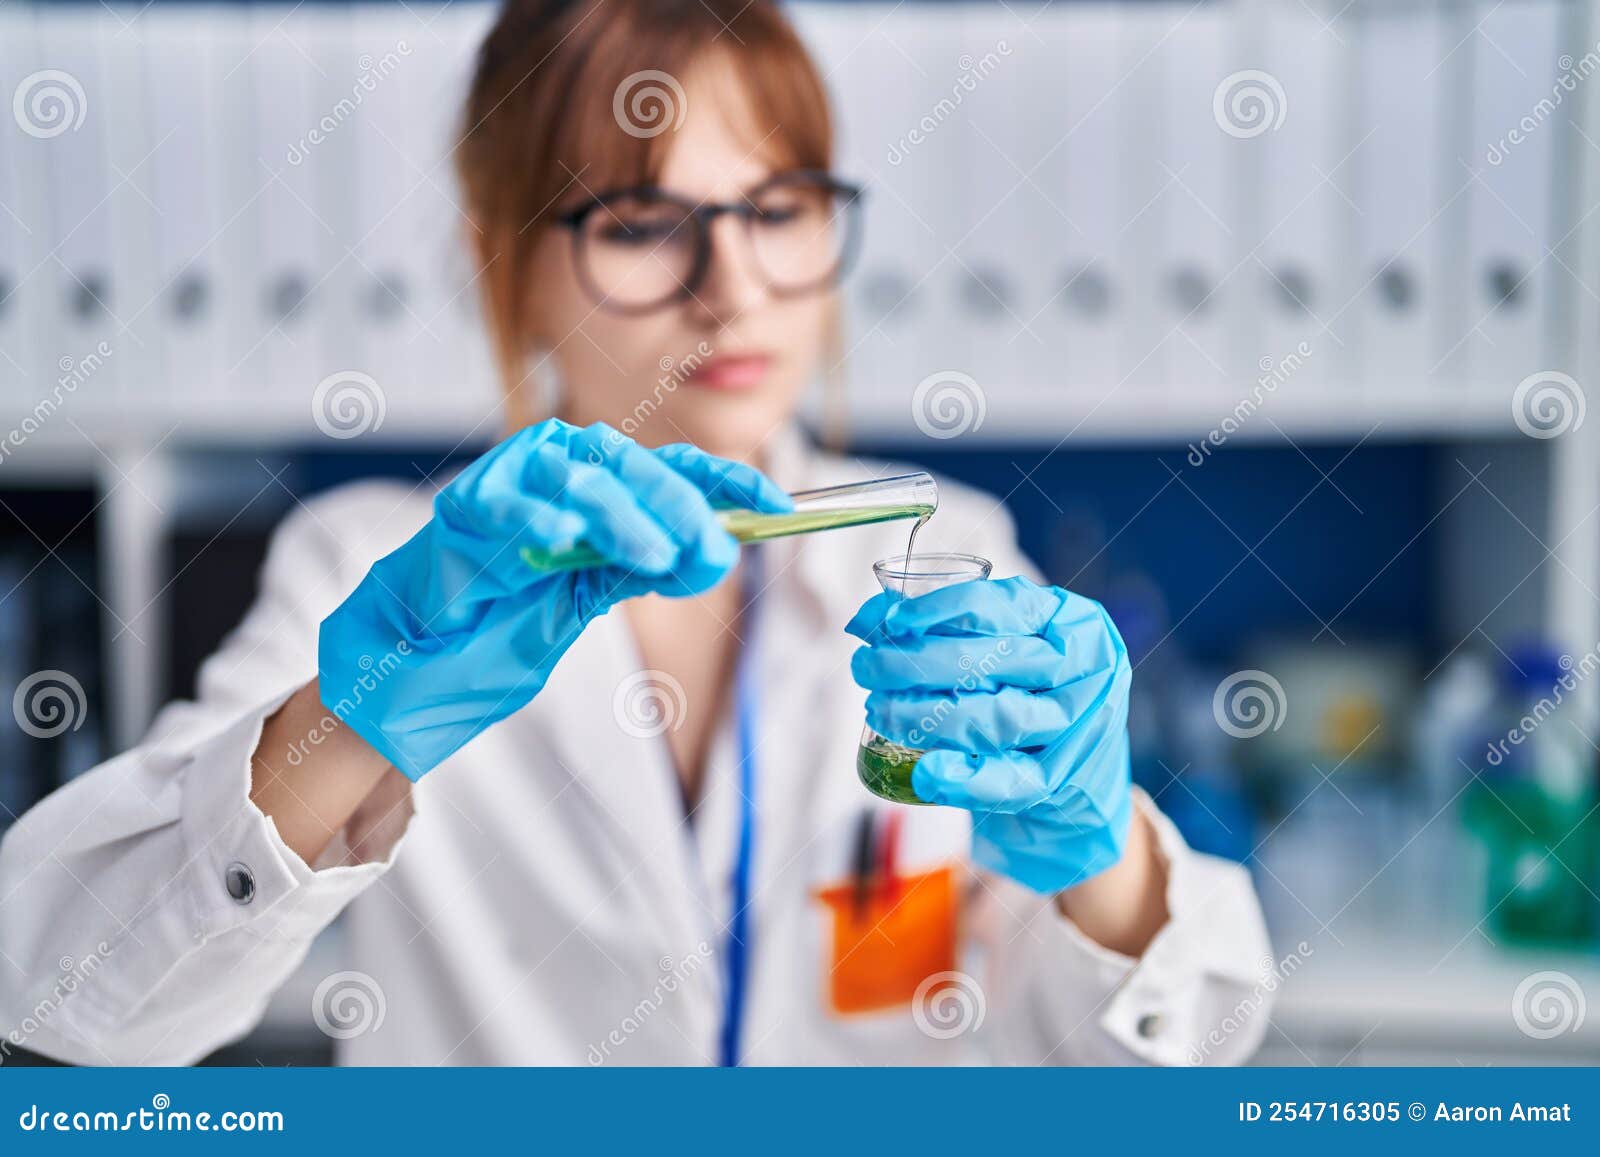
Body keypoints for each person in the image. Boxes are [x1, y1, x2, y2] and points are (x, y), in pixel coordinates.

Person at [0, 0, 1271, 1066]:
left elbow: (1136, 1066)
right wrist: (353, 715)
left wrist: (1095, 856)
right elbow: (60, 997)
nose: (733, 288)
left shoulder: (946, 544)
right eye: (643, 224)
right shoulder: (365, 564)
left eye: (780, 209)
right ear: (505, 263)